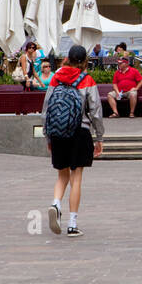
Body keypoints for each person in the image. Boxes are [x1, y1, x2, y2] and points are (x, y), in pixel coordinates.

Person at [43, 44, 106, 238]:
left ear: (68, 58)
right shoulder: (87, 80)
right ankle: (72, 224)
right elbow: (96, 111)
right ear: (85, 61)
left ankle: (55, 203)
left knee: (62, 175)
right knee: (76, 177)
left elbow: (46, 108)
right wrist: (99, 137)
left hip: (58, 132)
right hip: (80, 131)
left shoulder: (56, 78)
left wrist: (48, 135)